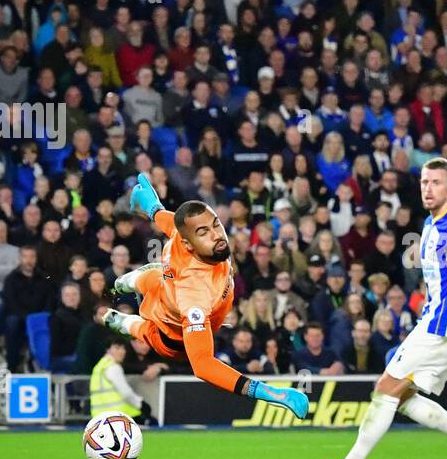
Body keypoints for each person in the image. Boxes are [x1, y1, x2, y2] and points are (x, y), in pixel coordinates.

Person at [307, 158, 447, 459]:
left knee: (385, 388)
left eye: (437, 183)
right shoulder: (431, 223)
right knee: (401, 396)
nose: (428, 189)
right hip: (435, 323)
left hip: (443, 327)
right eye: (425, 182)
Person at [96, 174, 309, 418]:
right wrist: (270, 393)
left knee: (154, 278)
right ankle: (122, 309)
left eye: (216, 224)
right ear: (188, 244)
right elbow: (203, 366)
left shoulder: (197, 238)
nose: (217, 235)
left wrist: (152, 207)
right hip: (172, 336)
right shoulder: (194, 295)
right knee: (147, 327)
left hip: (167, 286)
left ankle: (126, 284)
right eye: (203, 232)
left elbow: (171, 223)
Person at [88, 338, 154, 426]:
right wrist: (141, 404)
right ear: (107, 350)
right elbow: (126, 393)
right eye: (117, 348)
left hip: (98, 418)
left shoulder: (99, 367)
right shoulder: (113, 367)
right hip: (119, 418)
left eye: (123, 348)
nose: (122, 351)